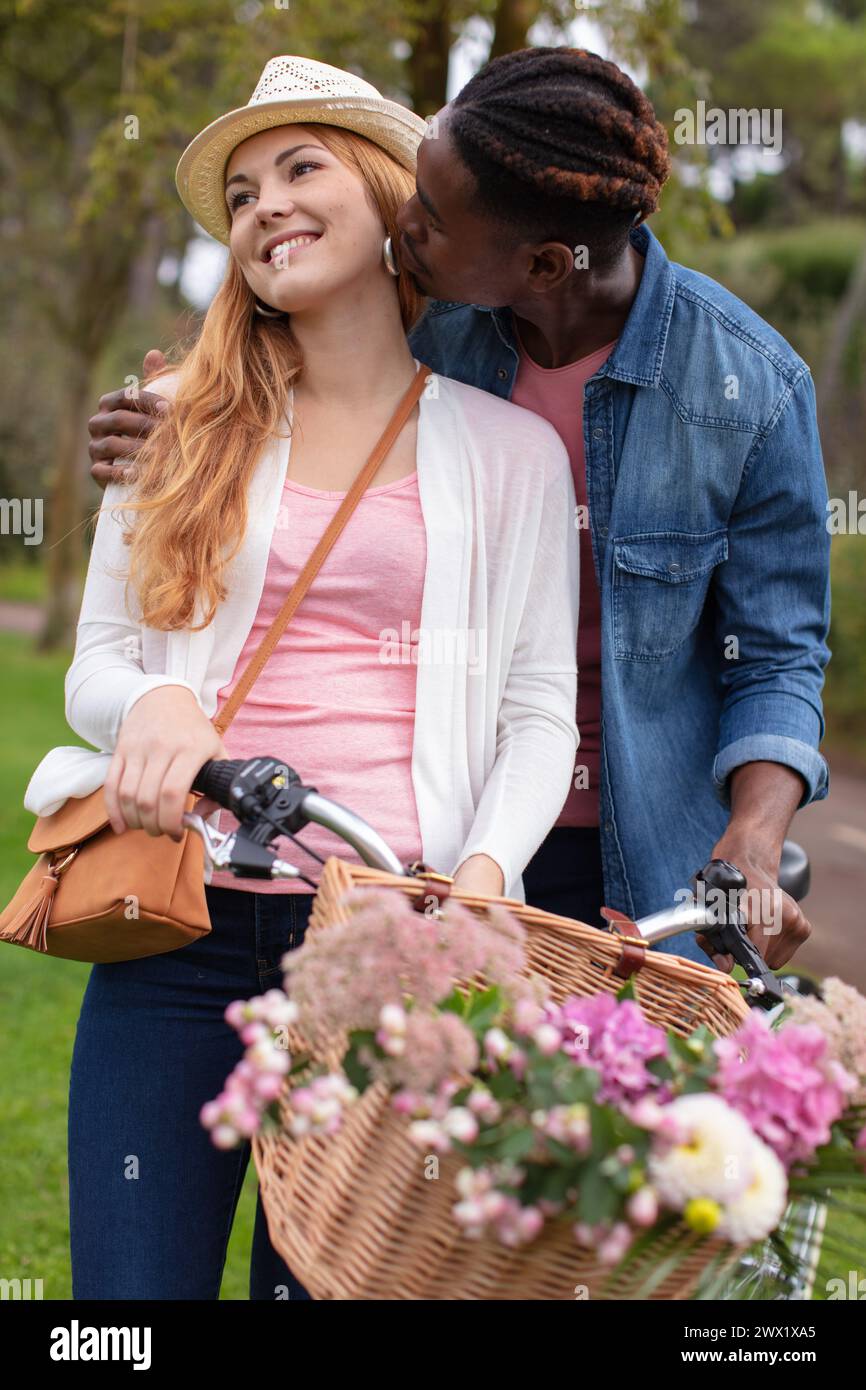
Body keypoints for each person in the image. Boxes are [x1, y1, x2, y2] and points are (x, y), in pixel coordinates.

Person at [26, 56, 580, 1300]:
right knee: (123, 1309)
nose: (264, 204)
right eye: (238, 194)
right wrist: (161, 704)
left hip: (382, 945)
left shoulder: (510, 454)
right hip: (179, 924)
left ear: (390, 196)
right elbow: (100, 666)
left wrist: (481, 886)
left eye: (299, 166)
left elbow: (540, 709)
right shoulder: (177, 419)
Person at [90, 46, 830, 976]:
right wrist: (163, 438)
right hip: (446, 815)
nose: (404, 223)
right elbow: (286, 357)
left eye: (434, 218)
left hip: (639, 837)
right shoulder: (433, 316)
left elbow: (778, 652)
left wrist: (755, 834)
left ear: (547, 263)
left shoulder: (748, 388)